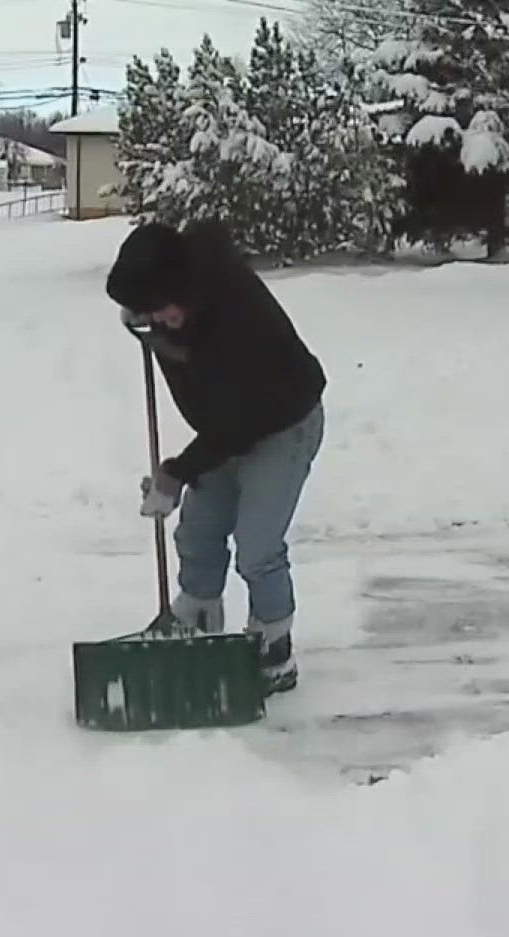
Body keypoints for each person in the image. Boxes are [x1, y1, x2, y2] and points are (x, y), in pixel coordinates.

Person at [105, 220, 326, 694]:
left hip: (283, 423)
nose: (158, 320)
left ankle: (273, 649)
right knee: (198, 531)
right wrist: (149, 329)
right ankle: (198, 621)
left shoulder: (238, 315)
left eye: (159, 310)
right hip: (227, 427)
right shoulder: (176, 308)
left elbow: (243, 420)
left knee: (258, 547)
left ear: (179, 287)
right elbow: (217, 412)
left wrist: (177, 472)